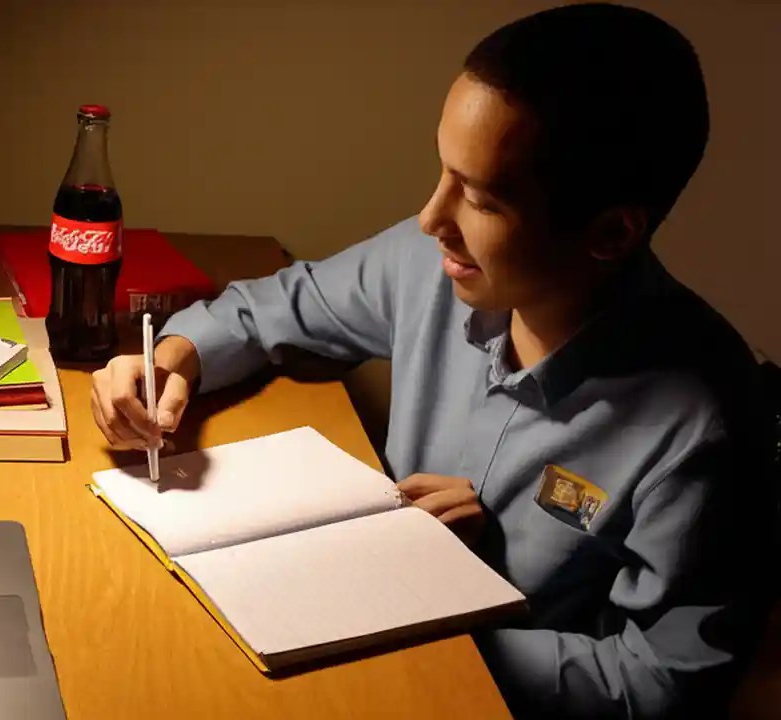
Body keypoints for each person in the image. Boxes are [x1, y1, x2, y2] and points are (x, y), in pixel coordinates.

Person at [90, 4, 773, 718]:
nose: (429, 218)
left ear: (609, 232)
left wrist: (443, 614)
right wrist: (173, 359)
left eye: (478, 197)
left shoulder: (703, 426)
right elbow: (278, 308)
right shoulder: (433, 265)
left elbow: (670, 684)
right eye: (443, 172)